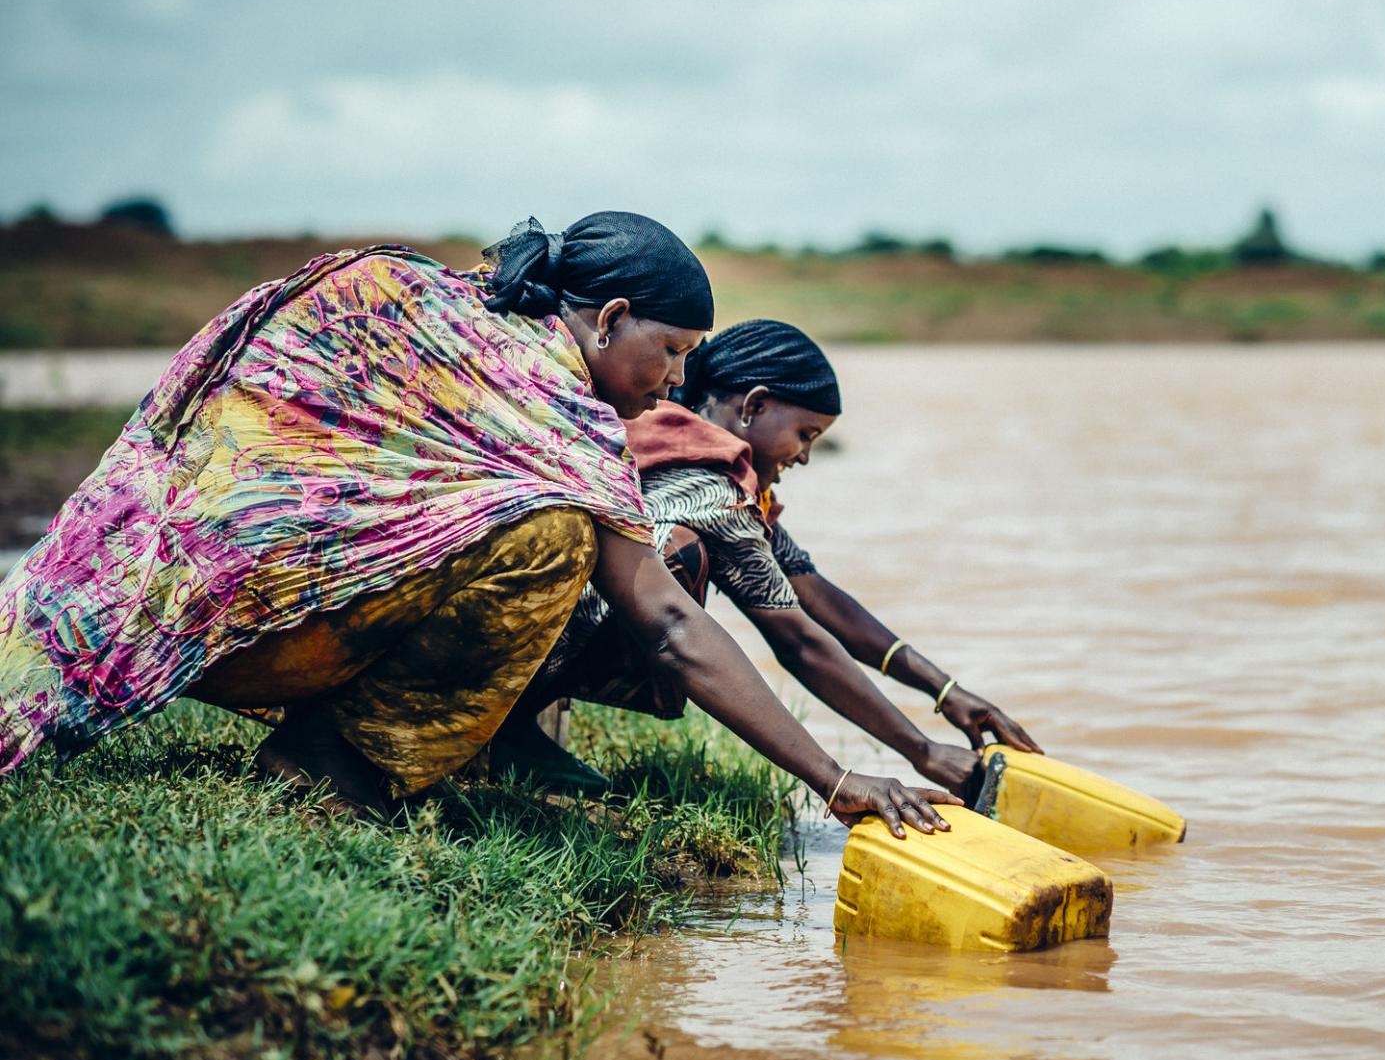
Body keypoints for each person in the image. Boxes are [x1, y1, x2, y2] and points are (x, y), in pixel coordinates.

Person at [0, 214, 955, 837]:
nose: (672, 380)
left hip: (157, 607)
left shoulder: (443, 305)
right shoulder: (558, 406)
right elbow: (669, 624)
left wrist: (928, 712)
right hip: (252, 631)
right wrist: (838, 780)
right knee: (557, 540)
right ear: (610, 316)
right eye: (668, 352)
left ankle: (475, 737)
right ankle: (338, 764)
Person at [498, 319, 1040, 799]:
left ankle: (514, 724)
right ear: (754, 406)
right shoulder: (708, 483)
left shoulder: (690, 450)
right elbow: (799, 640)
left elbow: (813, 592)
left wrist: (945, 691)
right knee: (678, 556)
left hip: (507, 626)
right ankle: (507, 732)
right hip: (505, 645)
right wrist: (918, 751)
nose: (804, 456)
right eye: (805, 434)